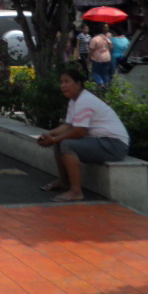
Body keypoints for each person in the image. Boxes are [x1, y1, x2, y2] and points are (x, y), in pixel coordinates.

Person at [37, 66, 129, 202]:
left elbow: (79, 132)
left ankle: (76, 191)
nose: (63, 85)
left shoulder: (85, 100)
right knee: (59, 142)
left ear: (78, 83)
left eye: (67, 81)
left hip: (114, 145)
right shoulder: (74, 101)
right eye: (61, 82)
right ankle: (63, 182)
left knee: (66, 144)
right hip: (101, 142)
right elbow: (68, 126)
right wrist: (49, 135)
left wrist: (54, 138)